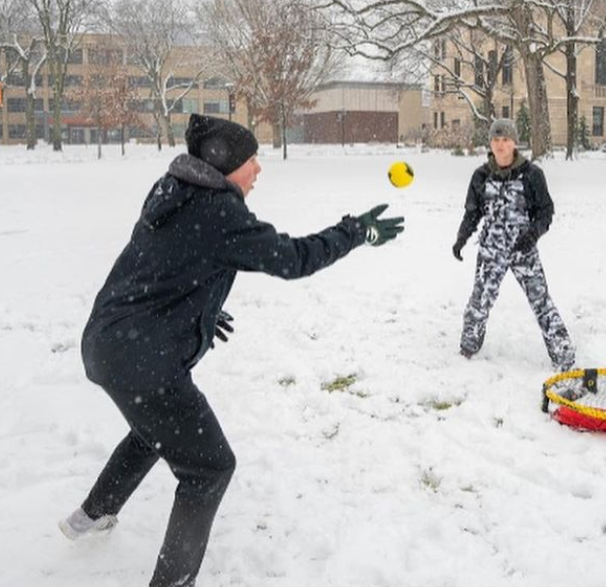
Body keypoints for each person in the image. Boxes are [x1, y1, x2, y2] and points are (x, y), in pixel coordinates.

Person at [58, 114, 404, 586]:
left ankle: (90, 516)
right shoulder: (218, 211)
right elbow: (292, 258)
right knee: (209, 468)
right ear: (224, 163)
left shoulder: (173, 193)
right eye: (250, 159)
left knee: (151, 429)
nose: (258, 168)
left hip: (107, 344)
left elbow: (164, 268)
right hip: (144, 361)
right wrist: (354, 231)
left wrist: (200, 312)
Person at [452, 118, 575, 371]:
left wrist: (532, 234)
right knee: (479, 300)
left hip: (524, 251)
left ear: (514, 143)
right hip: (491, 252)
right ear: (490, 143)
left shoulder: (532, 175)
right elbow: (472, 212)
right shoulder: (481, 176)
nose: (500, 145)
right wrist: (462, 237)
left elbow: (545, 211)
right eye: (496, 140)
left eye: (505, 140)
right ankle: (469, 344)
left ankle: (562, 352)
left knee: (541, 301)